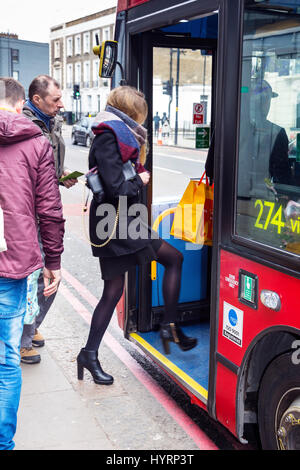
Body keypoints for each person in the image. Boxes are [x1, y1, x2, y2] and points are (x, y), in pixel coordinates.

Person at [77, 86, 197, 385]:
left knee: (172, 259)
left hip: (126, 222)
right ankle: (89, 354)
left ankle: (167, 325)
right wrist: (141, 180)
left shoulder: (122, 137)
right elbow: (117, 187)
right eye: (140, 113)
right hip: (113, 224)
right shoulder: (108, 137)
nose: (142, 120)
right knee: (114, 291)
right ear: (131, 113)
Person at [0, 77, 64, 450]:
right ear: (22, 103)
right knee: (7, 359)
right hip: (13, 259)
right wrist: (52, 260)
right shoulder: (36, 143)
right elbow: (50, 210)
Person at [20, 75, 77, 364]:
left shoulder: (51, 121)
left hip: (46, 203)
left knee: (48, 274)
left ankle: (31, 326)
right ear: (37, 99)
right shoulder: (25, 126)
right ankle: (21, 339)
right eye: (55, 99)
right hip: (30, 212)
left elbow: (47, 164)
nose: (61, 104)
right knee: (40, 276)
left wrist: (61, 173)